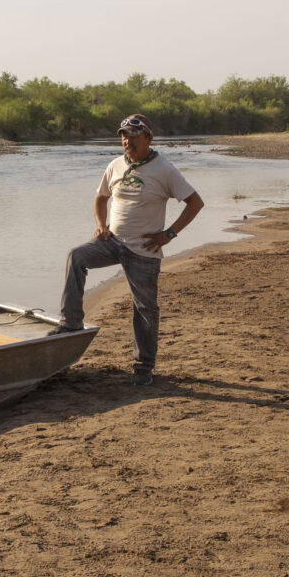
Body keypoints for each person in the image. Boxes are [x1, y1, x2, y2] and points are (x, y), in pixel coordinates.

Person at [60, 113, 204, 385]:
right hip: (112, 242)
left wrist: (169, 234)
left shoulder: (165, 169)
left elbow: (195, 203)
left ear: (148, 138)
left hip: (144, 249)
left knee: (145, 309)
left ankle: (143, 367)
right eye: (124, 136)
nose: (127, 141)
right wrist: (101, 225)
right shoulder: (115, 165)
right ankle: (71, 324)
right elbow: (100, 198)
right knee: (76, 256)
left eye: (134, 136)